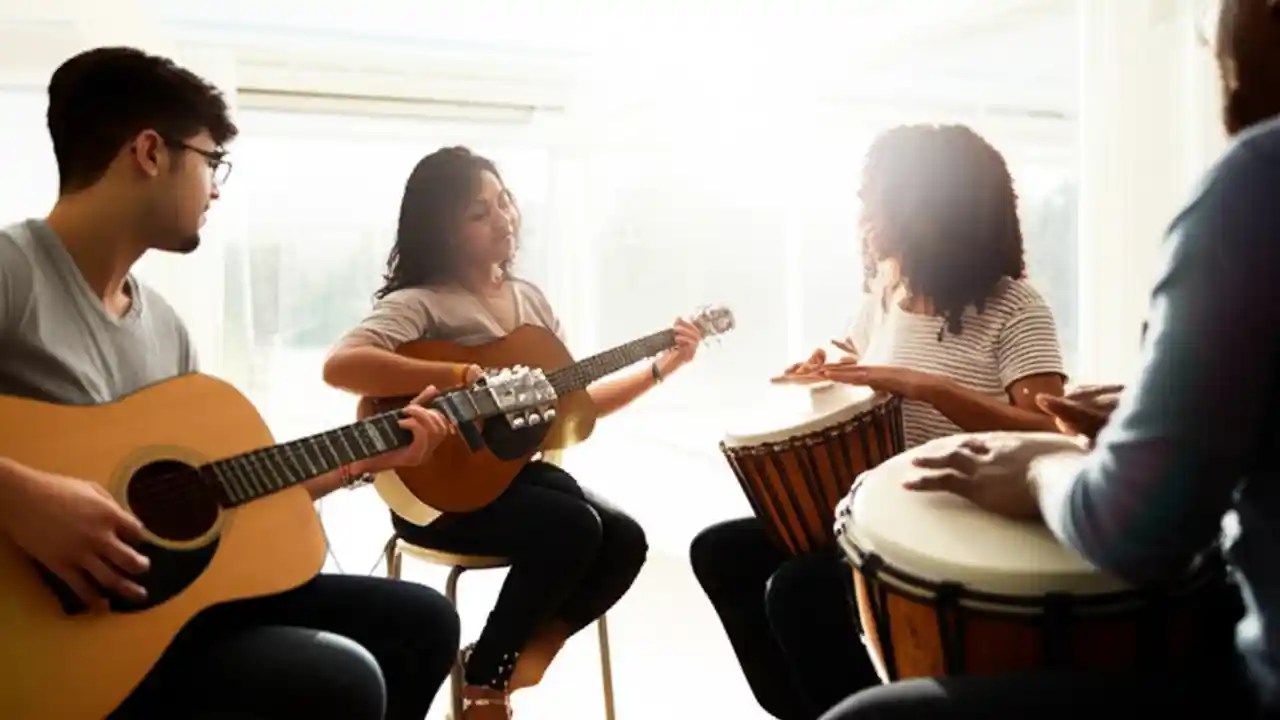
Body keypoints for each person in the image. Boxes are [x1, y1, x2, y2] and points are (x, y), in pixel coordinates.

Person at [821, 0, 1280, 717]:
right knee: (743, 559)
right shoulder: (886, 291)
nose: (1212, 46)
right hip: (916, 498)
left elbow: (1134, 523)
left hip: (1261, 673)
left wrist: (1038, 465)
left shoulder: (1257, 183)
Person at [0, 46, 461, 720]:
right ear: (151, 153)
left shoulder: (165, 328)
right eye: (211, 161)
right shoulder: (15, 274)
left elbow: (215, 500)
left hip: (157, 612)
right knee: (340, 681)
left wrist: (363, 455)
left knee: (421, 622)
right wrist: (20, 495)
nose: (217, 187)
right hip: (51, 643)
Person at [690, 123, 1069, 720]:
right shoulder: (891, 291)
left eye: (873, 194)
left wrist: (929, 388)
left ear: (925, 207)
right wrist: (830, 364)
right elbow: (855, 352)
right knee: (720, 553)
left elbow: (1049, 429)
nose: (863, 211)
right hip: (878, 505)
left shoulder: (1015, 307)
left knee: (799, 591)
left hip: (959, 519)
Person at [322, 145, 705, 718]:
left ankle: (505, 657)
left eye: (504, 202)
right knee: (572, 521)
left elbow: (577, 409)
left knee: (623, 539)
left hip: (512, 483)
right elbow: (342, 366)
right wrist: (460, 376)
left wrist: (661, 368)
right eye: (480, 213)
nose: (503, 219)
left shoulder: (530, 304)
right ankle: (485, 686)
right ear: (443, 230)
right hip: (434, 497)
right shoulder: (420, 304)